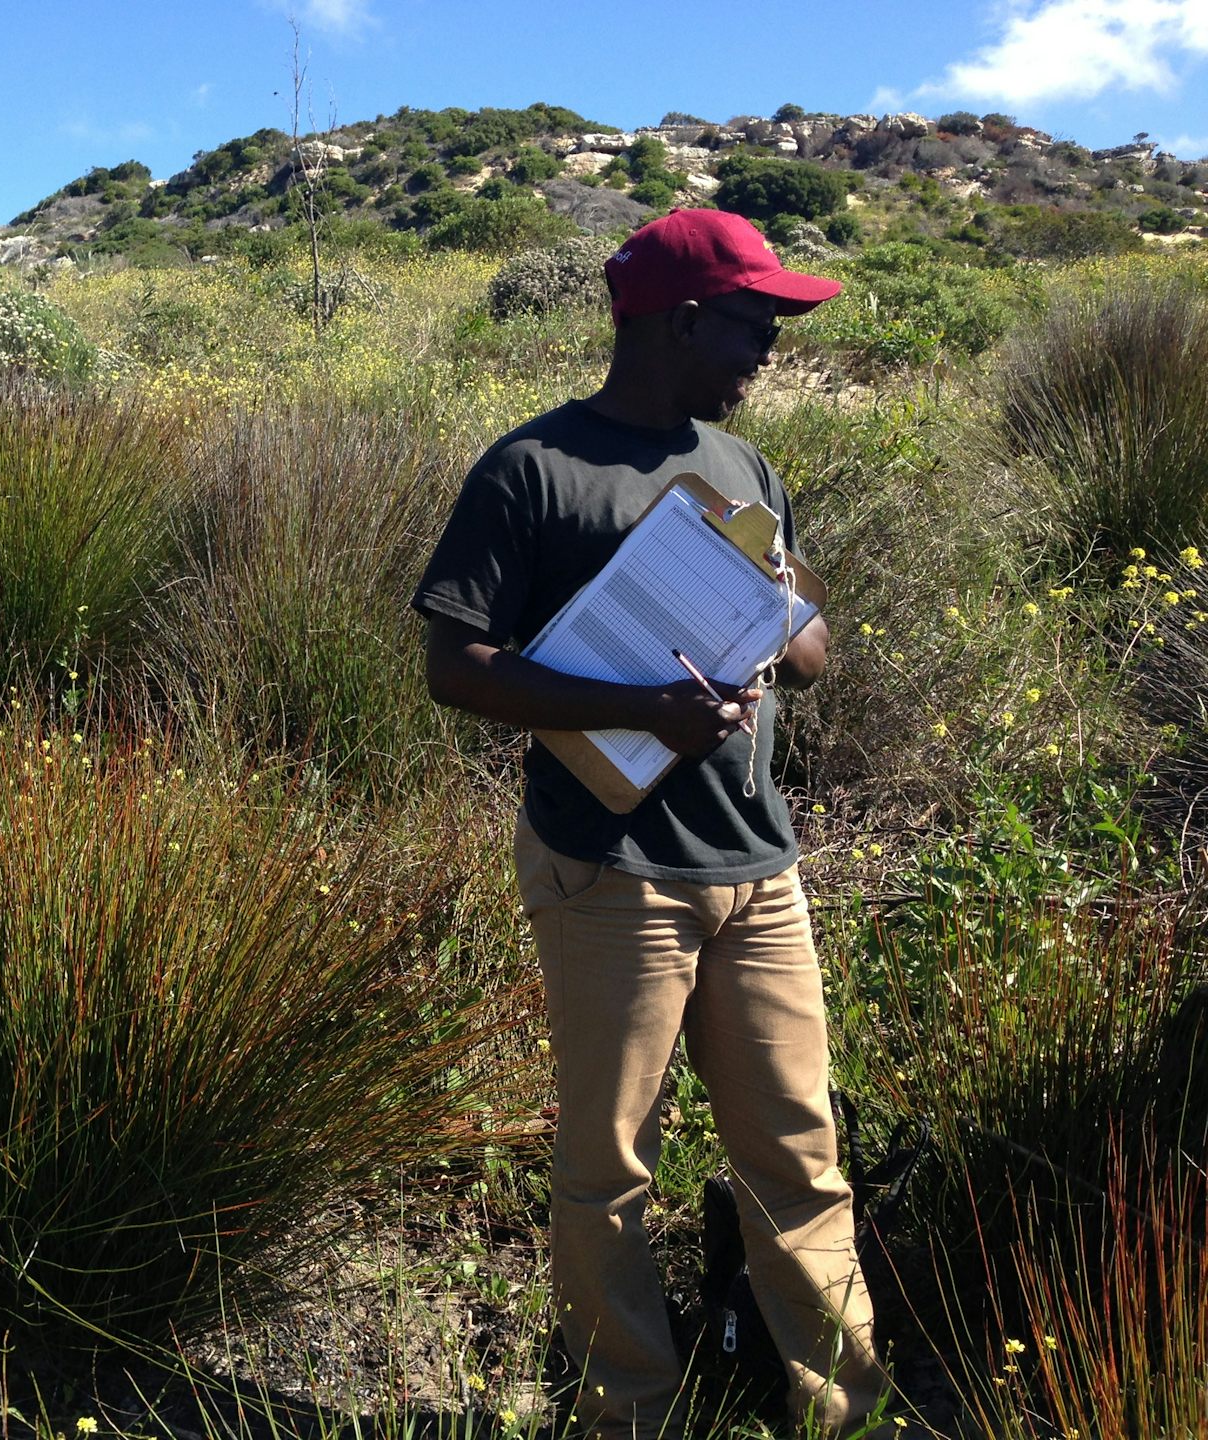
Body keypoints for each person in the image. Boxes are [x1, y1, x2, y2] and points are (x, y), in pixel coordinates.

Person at [411, 209, 889, 1437]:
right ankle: (628, 1415)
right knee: (607, 1167)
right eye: (756, 323)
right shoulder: (534, 469)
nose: (770, 349)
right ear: (680, 321)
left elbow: (817, 656)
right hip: (610, 865)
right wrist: (642, 708)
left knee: (801, 1156)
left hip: (757, 860)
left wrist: (780, 599)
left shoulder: (745, 472)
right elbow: (456, 667)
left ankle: (843, 1411)